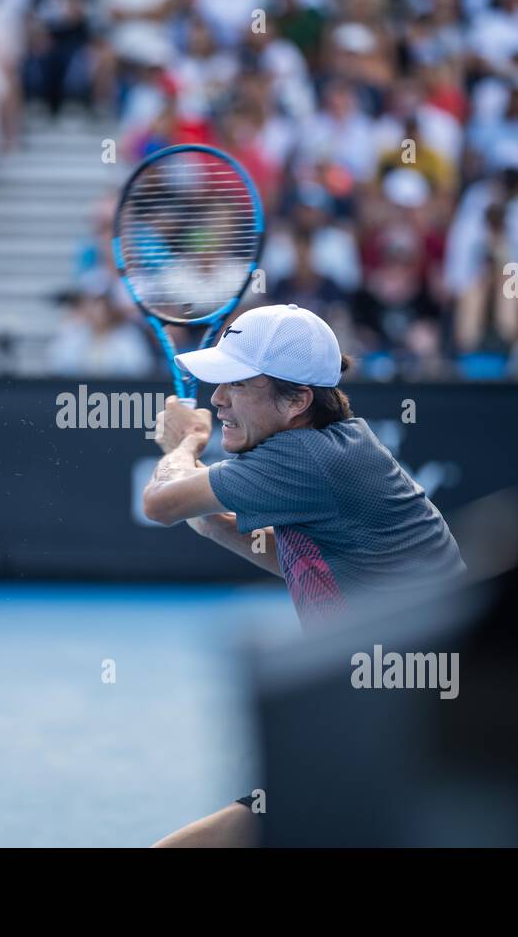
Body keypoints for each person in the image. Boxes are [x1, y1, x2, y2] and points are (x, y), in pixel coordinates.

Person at [140, 303, 465, 847]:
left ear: (296, 401)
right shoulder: (320, 450)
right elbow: (294, 557)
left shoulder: (307, 459)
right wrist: (203, 507)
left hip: (412, 725)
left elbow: (159, 503)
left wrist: (184, 446)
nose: (217, 398)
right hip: (400, 714)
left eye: (236, 384)